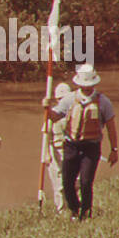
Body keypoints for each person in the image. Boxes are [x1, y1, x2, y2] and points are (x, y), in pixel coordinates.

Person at [45, 64, 118, 220]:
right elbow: (54, 116)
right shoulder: (69, 99)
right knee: (67, 182)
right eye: (84, 85)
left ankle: (85, 213)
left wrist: (114, 150)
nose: (86, 88)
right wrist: (46, 108)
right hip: (71, 145)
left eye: (89, 85)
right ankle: (74, 209)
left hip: (91, 147)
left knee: (85, 182)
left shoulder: (103, 102)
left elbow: (111, 127)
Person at [44, 82, 72, 212]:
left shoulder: (74, 111)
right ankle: (61, 209)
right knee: (58, 183)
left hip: (71, 149)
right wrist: (46, 154)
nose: (63, 101)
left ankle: (75, 205)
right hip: (55, 150)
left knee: (75, 180)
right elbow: (46, 135)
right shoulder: (52, 114)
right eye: (60, 99)